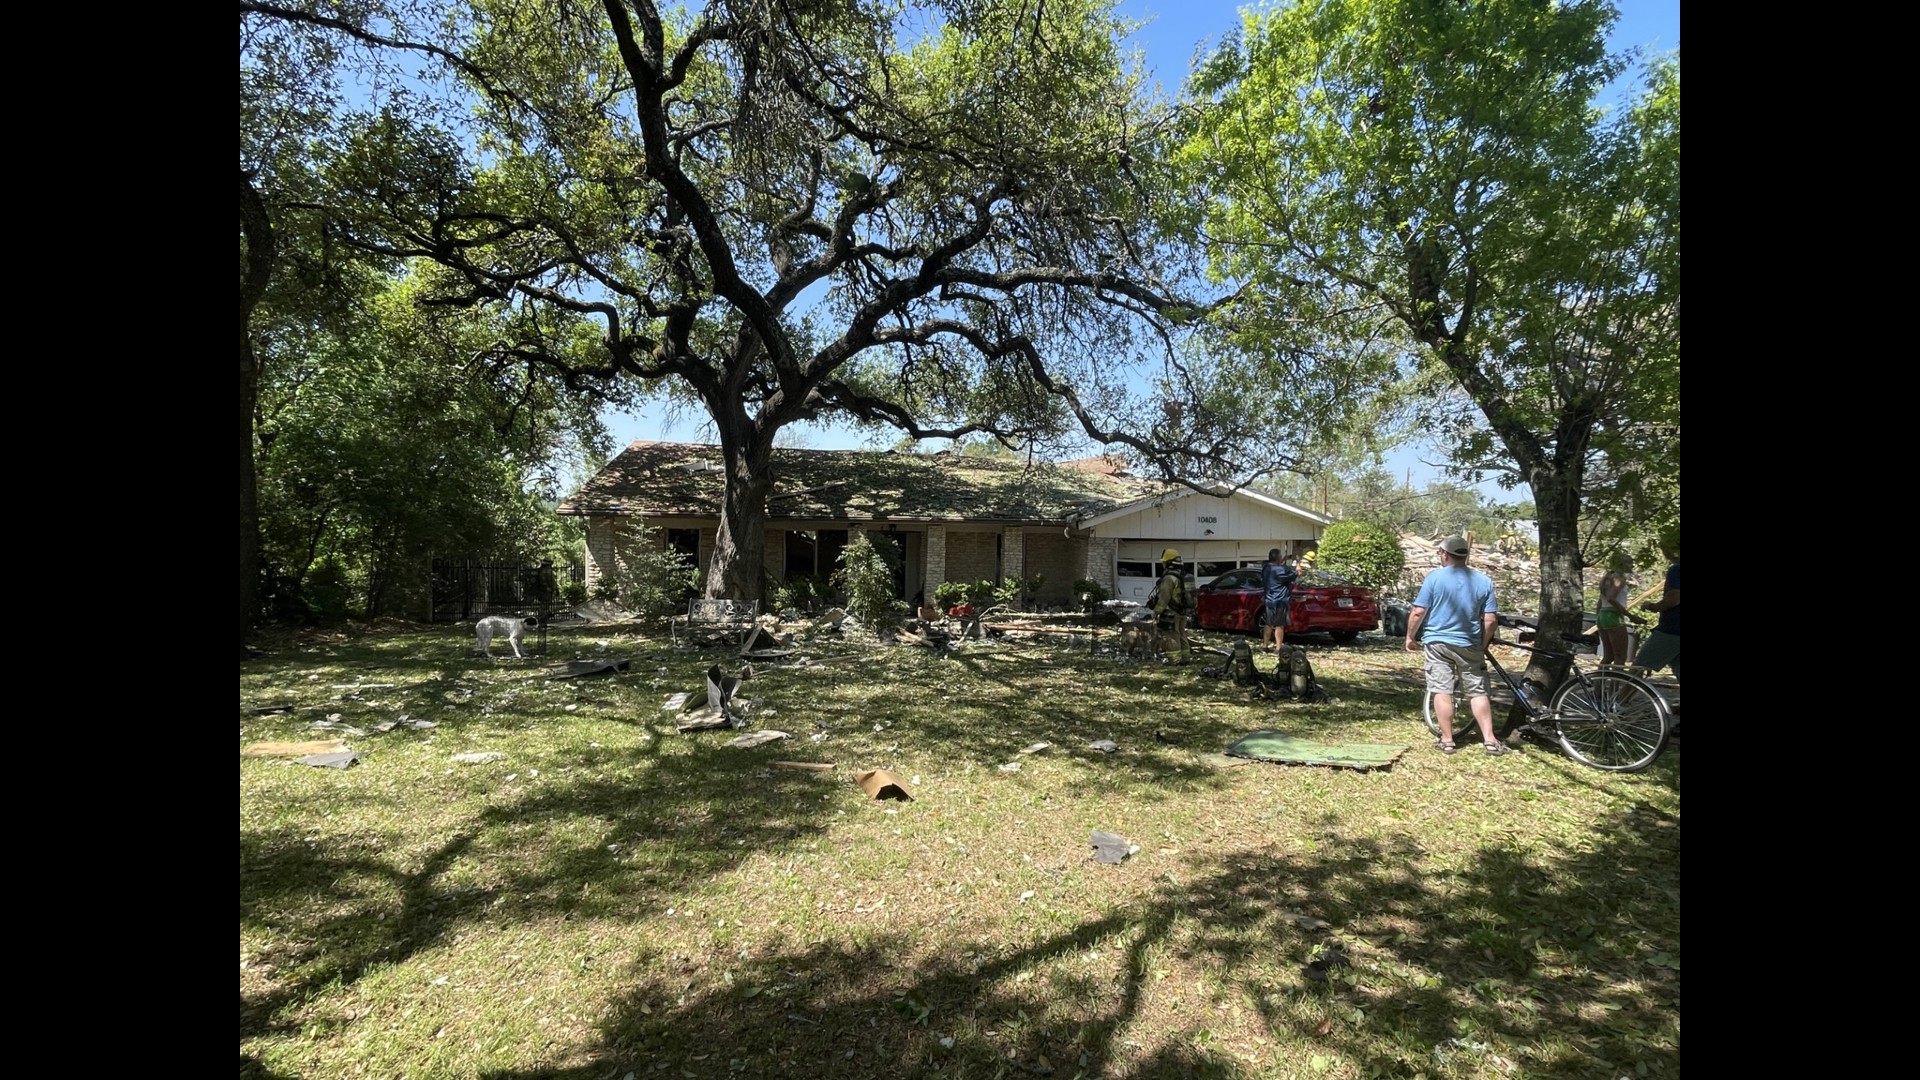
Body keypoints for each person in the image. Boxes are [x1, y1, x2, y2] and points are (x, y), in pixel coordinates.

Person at [1404, 535, 1509, 756]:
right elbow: (1490, 620)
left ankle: (1448, 740)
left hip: (1437, 642)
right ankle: (1490, 740)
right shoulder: (1483, 581)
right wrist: (1482, 643)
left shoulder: (1434, 578)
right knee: (1478, 691)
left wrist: (1410, 637)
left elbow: (1418, 611)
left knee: (1442, 690)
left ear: (1444, 554)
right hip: (1469, 644)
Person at [1632, 529, 1680, 682]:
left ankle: (1617, 704)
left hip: (1673, 629)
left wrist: (1653, 607)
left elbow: (1675, 597)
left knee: (1639, 667)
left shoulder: (1677, 570)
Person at [1149, 547, 1191, 661]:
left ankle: (1175, 661)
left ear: (1168, 563)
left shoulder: (1169, 578)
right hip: (1182, 613)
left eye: (1164, 562)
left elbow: (1164, 597)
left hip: (1171, 614)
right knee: (1182, 636)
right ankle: (1186, 658)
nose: (1162, 565)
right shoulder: (1182, 576)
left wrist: (1156, 611)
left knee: (1172, 637)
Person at [1260, 548, 1299, 658]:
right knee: (1279, 625)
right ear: (1278, 558)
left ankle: (1265, 646)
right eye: (1280, 556)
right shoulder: (1283, 569)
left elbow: (1275, 567)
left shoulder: (1266, 568)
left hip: (1269, 600)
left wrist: (1284, 559)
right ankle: (1278, 648)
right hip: (1280, 600)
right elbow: (1297, 574)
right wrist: (1298, 562)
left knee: (1268, 623)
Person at [1595, 564, 1633, 667]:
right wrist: (1631, 616)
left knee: (1608, 656)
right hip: (1614, 616)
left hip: (1602, 614)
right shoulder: (1619, 578)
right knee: (1620, 657)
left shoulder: (1606, 578)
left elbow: (1600, 601)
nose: (1632, 565)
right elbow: (1611, 598)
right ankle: (1615, 682)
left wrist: (1598, 619)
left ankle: (1598, 682)